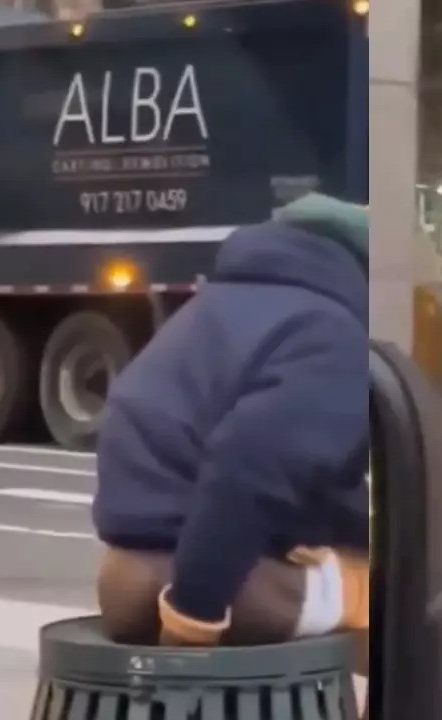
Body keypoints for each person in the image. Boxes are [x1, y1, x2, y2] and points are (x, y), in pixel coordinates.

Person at [91, 193, 370, 671]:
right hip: (201, 586)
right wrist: (193, 616)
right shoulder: (330, 332)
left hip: (127, 573)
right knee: (396, 602)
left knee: (360, 567)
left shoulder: (213, 311)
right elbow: (247, 470)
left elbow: (313, 474)